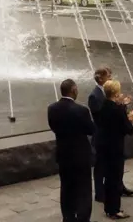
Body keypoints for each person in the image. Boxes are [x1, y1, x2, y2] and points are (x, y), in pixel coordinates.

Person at [48, 79, 94, 222]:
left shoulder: (52, 108)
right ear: (73, 90)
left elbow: (53, 127)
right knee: (84, 188)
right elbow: (91, 130)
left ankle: (68, 217)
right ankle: (83, 217)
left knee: (66, 187)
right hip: (80, 155)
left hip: (63, 154)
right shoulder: (81, 110)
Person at [88, 67, 133, 203]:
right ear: (100, 78)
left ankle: (119, 187)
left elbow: (113, 112)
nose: (111, 78)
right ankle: (100, 193)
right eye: (108, 76)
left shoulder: (108, 93)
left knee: (117, 164)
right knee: (100, 166)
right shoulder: (94, 95)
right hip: (102, 137)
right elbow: (101, 117)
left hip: (113, 136)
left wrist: (122, 105)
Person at [96, 80, 133, 220]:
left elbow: (113, 122)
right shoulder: (118, 110)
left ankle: (108, 207)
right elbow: (128, 129)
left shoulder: (104, 106)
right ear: (115, 93)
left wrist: (123, 106)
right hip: (116, 148)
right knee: (115, 179)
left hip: (105, 146)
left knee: (108, 178)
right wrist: (132, 118)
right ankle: (114, 210)